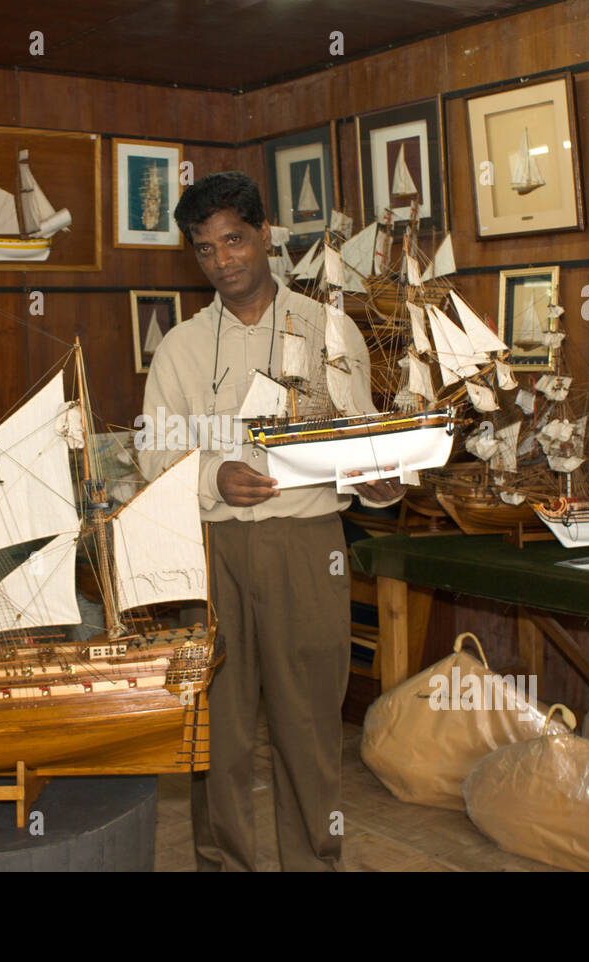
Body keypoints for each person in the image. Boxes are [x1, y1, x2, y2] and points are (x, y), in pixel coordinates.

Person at [137, 171, 403, 871]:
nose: (222, 261)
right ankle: (221, 863)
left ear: (264, 236)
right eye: (204, 249)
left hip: (309, 548)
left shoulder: (327, 329)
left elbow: (365, 439)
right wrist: (212, 476)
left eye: (233, 241)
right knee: (217, 734)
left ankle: (314, 862)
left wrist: (379, 484)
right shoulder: (182, 348)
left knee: (308, 728)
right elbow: (152, 452)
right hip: (214, 551)